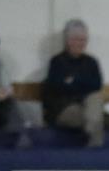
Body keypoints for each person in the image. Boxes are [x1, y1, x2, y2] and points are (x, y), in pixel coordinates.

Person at [40, 18, 104, 149]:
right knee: (96, 117)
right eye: (75, 39)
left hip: (87, 105)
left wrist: (72, 81)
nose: (79, 43)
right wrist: (82, 84)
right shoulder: (57, 62)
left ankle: (92, 134)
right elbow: (57, 87)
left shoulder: (91, 62)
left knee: (96, 97)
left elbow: (96, 85)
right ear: (67, 41)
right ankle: (94, 140)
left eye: (82, 40)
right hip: (62, 109)